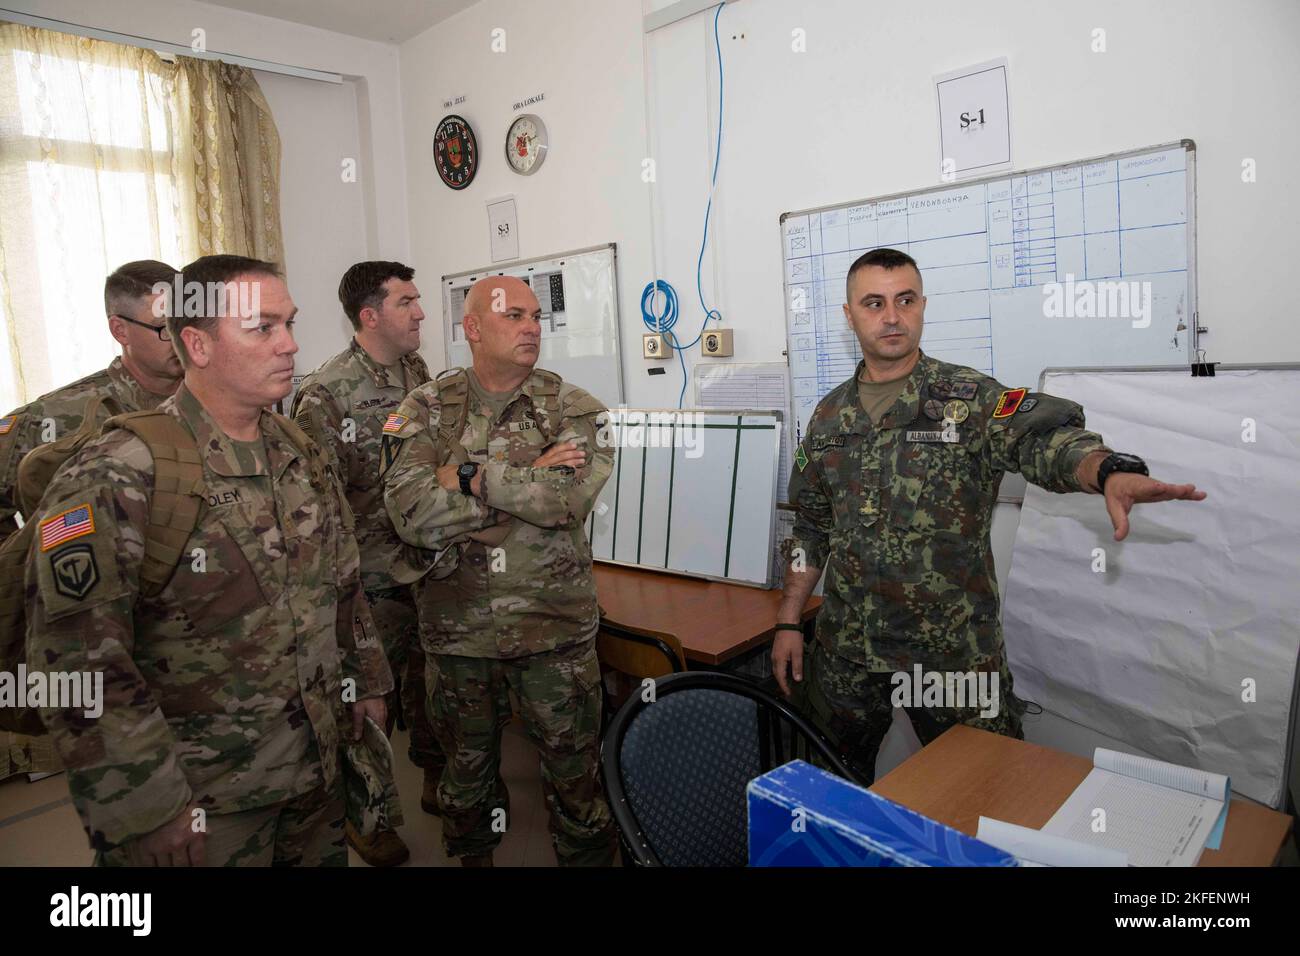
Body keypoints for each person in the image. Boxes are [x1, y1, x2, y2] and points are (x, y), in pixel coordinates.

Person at [773, 247, 1206, 780]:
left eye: (904, 300)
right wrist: (790, 620)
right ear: (849, 316)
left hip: (952, 655)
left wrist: (1108, 469)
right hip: (848, 655)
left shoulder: (969, 399)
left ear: (922, 306)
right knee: (826, 789)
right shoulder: (829, 416)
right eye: (874, 303)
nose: (891, 316)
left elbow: (1045, 441)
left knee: (989, 793)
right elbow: (812, 529)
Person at [25, 254, 391, 866]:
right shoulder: (119, 470)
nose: (290, 346)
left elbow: (342, 579)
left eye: (290, 324)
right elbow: (75, 660)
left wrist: (367, 681)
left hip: (316, 771)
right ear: (197, 342)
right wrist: (147, 808)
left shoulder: (298, 449)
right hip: (203, 800)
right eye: (263, 328)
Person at [381, 275, 617, 867]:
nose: (533, 326)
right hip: (458, 635)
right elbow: (410, 514)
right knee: (465, 786)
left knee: (577, 783)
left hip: (553, 633)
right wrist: (527, 475)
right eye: (514, 315)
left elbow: (563, 503)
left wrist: (465, 475)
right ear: (473, 328)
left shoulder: (577, 408)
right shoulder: (425, 409)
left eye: (536, 315)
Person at [292, 260, 442, 867]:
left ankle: (434, 777)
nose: (421, 312)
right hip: (366, 574)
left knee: (429, 681)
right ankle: (369, 815)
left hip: (423, 557)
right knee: (367, 699)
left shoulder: (417, 372)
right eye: (407, 302)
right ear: (370, 315)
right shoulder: (324, 395)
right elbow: (316, 504)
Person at [0, 260, 182, 546]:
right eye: (164, 328)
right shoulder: (53, 416)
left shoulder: (218, 403)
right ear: (120, 330)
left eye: (186, 324)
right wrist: (28, 568)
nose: (181, 338)